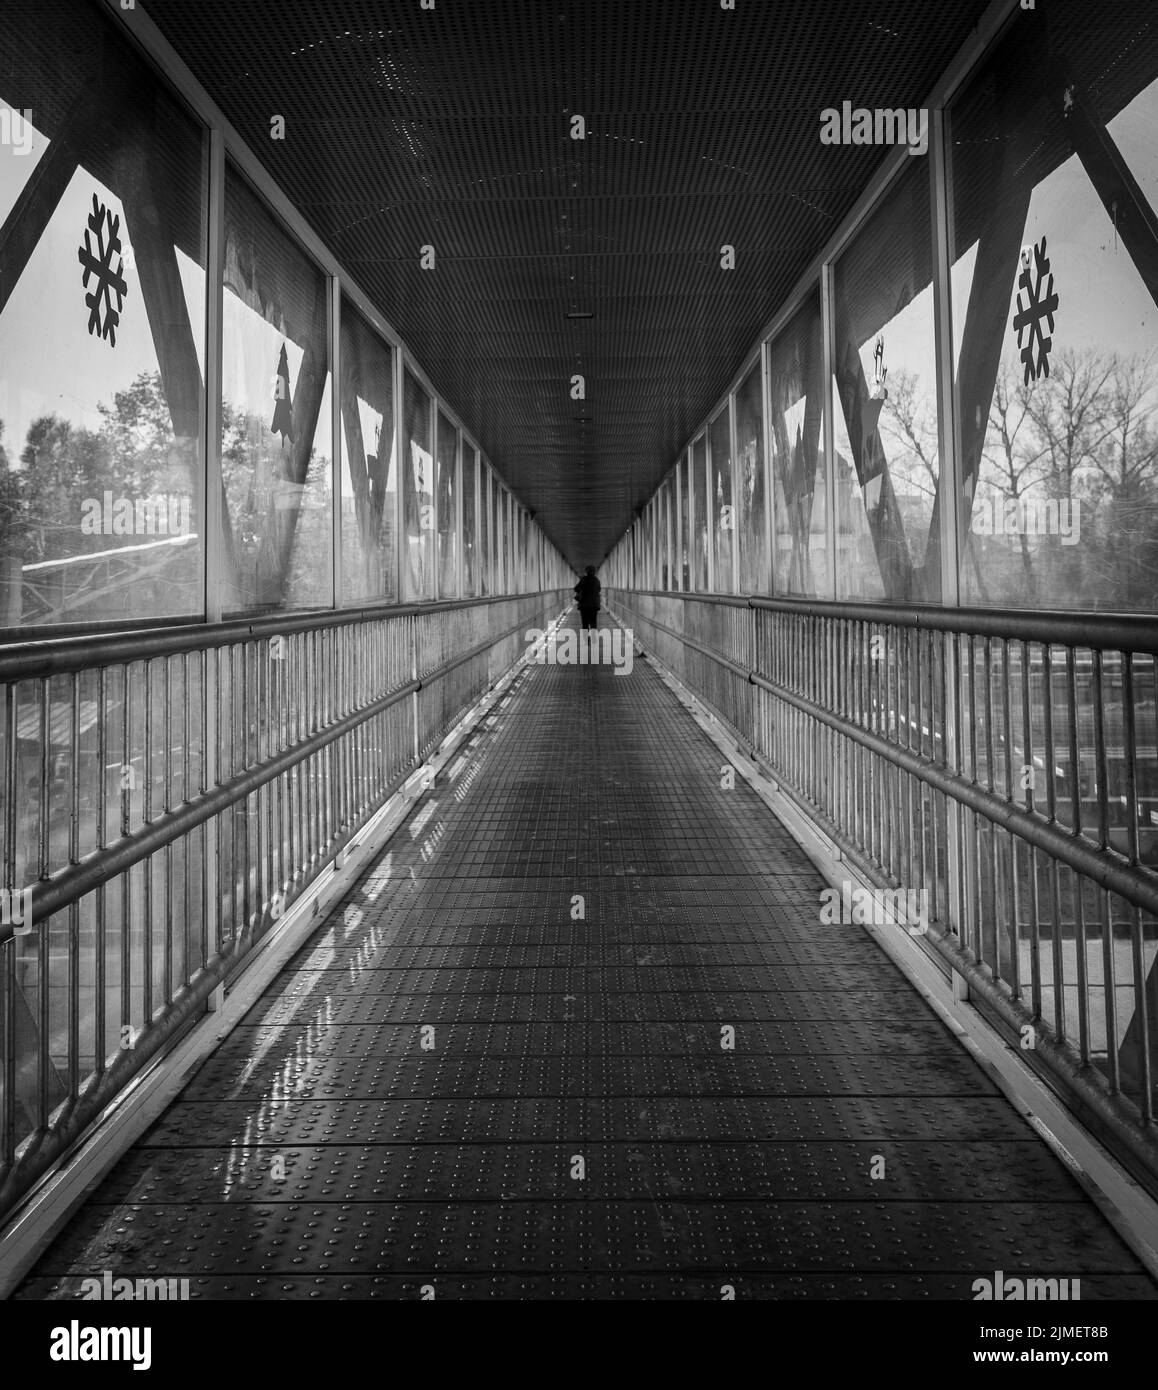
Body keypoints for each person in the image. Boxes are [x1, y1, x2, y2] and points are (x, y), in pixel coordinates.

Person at [574, 565, 601, 630]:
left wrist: (581, 591)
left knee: (585, 624)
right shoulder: (597, 580)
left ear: (586, 571)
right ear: (594, 572)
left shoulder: (584, 579)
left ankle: (586, 639)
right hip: (594, 605)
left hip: (584, 605)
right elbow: (599, 589)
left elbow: (576, 589)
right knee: (593, 623)